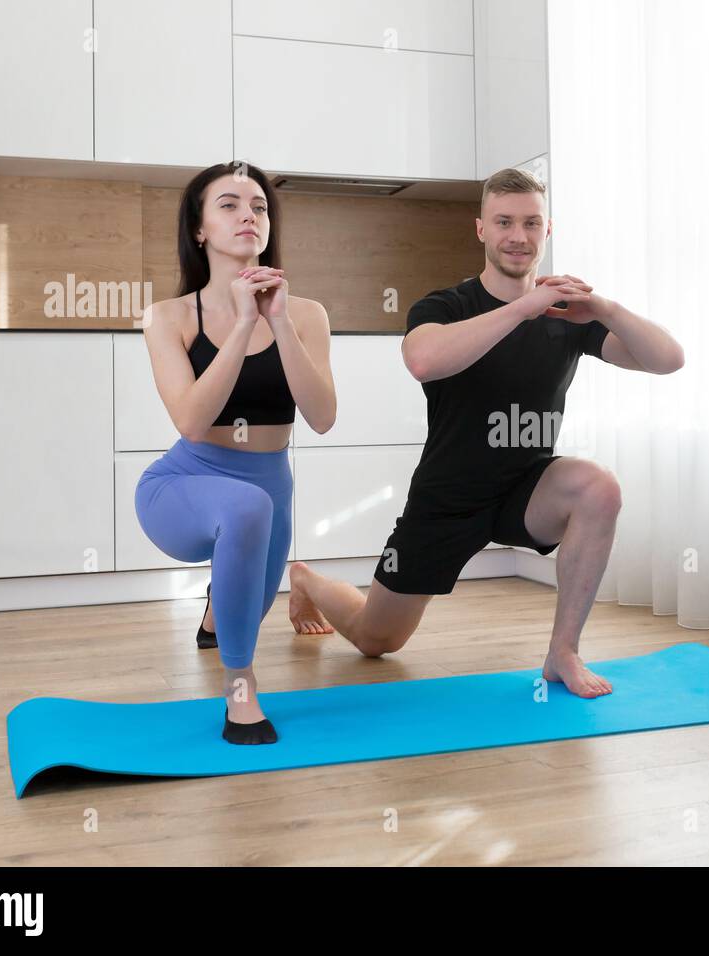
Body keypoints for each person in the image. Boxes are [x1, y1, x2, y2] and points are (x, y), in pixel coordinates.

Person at [284, 167, 684, 698]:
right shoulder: (445, 306)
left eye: (531, 223)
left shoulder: (570, 317)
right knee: (375, 640)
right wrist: (525, 308)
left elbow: (668, 361)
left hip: (527, 487)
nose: (518, 235)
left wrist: (604, 308)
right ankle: (308, 580)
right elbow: (423, 361)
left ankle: (562, 651)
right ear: (481, 230)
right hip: (447, 497)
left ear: (548, 230)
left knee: (599, 486)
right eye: (504, 222)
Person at [134, 161, 337, 743]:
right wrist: (245, 323)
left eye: (260, 206)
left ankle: (214, 614)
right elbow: (193, 421)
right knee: (246, 510)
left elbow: (321, 418)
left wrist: (278, 320)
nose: (249, 214)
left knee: (249, 570)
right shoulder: (169, 317)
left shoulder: (306, 314)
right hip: (183, 485)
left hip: (271, 483)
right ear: (199, 229)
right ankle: (241, 692)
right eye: (228, 204)